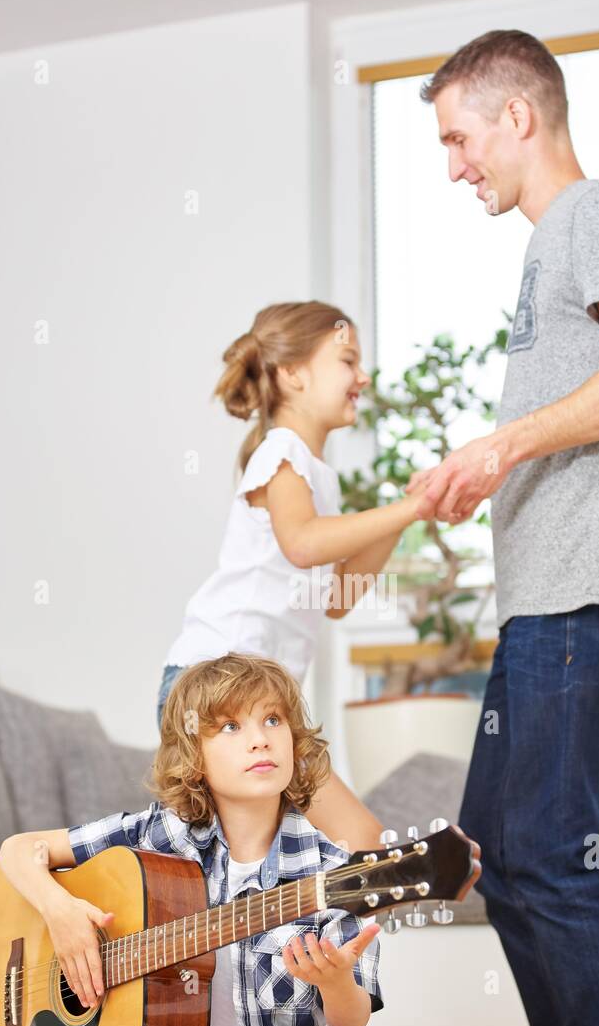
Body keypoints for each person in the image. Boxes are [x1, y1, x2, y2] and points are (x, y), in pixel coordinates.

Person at [409, 29, 599, 1026]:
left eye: (457, 136)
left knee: (547, 843)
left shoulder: (597, 210)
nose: (452, 164)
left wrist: (499, 446)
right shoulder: (548, 248)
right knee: (488, 843)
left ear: (517, 118)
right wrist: (497, 466)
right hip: (541, 599)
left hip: (580, 589)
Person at [0, 653, 421, 1026]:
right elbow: (19, 850)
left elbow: (351, 1023)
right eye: (231, 727)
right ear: (195, 757)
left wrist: (333, 983)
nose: (259, 740)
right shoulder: (159, 836)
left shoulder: (334, 871)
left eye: (273, 721)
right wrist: (62, 912)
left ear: (295, 742)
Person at [158, 299, 436, 852]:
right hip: (217, 684)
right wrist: (407, 511)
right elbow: (304, 544)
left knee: (337, 847)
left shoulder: (316, 473)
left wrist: (407, 514)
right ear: (292, 374)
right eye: (348, 360)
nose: (363, 377)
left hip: (255, 696)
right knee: (360, 842)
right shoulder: (281, 452)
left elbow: (335, 598)